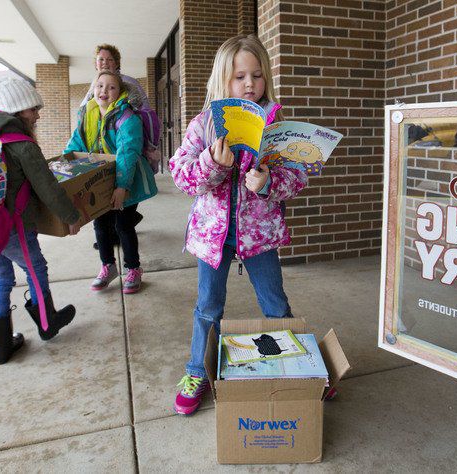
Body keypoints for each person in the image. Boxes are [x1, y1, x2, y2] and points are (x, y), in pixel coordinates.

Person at [169, 35, 308, 415]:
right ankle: (197, 370)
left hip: (259, 235)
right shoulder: (203, 124)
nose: (249, 84)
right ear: (223, 81)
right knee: (208, 306)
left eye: (257, 76)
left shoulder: (277, 125)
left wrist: (267, 183)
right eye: (239, 77)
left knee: (275, 304)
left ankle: (297, 367)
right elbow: (181, 176)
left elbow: (297, 176)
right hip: (213, 236)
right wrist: (213, 166)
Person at [0, 75, 84, 364]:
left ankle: (1, 346)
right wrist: (71, 216)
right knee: (35, 266)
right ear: (16, 111)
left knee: (0, 278)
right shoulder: (21, 144)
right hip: (12, 225)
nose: (37, 114)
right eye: (32, 109)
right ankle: (47, 320)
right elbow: (47, 186)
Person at [65, 71, 158, 294]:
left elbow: (128, 152)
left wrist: (121, 186)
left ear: (121, 92)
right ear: (93, 89)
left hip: (127, 180)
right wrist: (64, 167)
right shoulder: (88, 114)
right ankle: (108, 266)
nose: (104, 91)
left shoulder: (128, 118)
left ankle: (133, 268)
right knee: (100, 225)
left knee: (123, 225)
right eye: (99, 86)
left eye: (111, 87)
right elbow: (75, 144)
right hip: (100, 180)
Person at [82, 44, 146, 249]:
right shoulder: (93, 92)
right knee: (103, 218)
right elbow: (83, 125)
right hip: (102, 164)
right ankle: (107, 245)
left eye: (109, 60)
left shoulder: (129, 87)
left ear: (117, 62)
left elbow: (145, 117)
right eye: (101, 60)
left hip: (125, 156)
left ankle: (124, 237)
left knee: (123, 217)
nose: (104, 63)